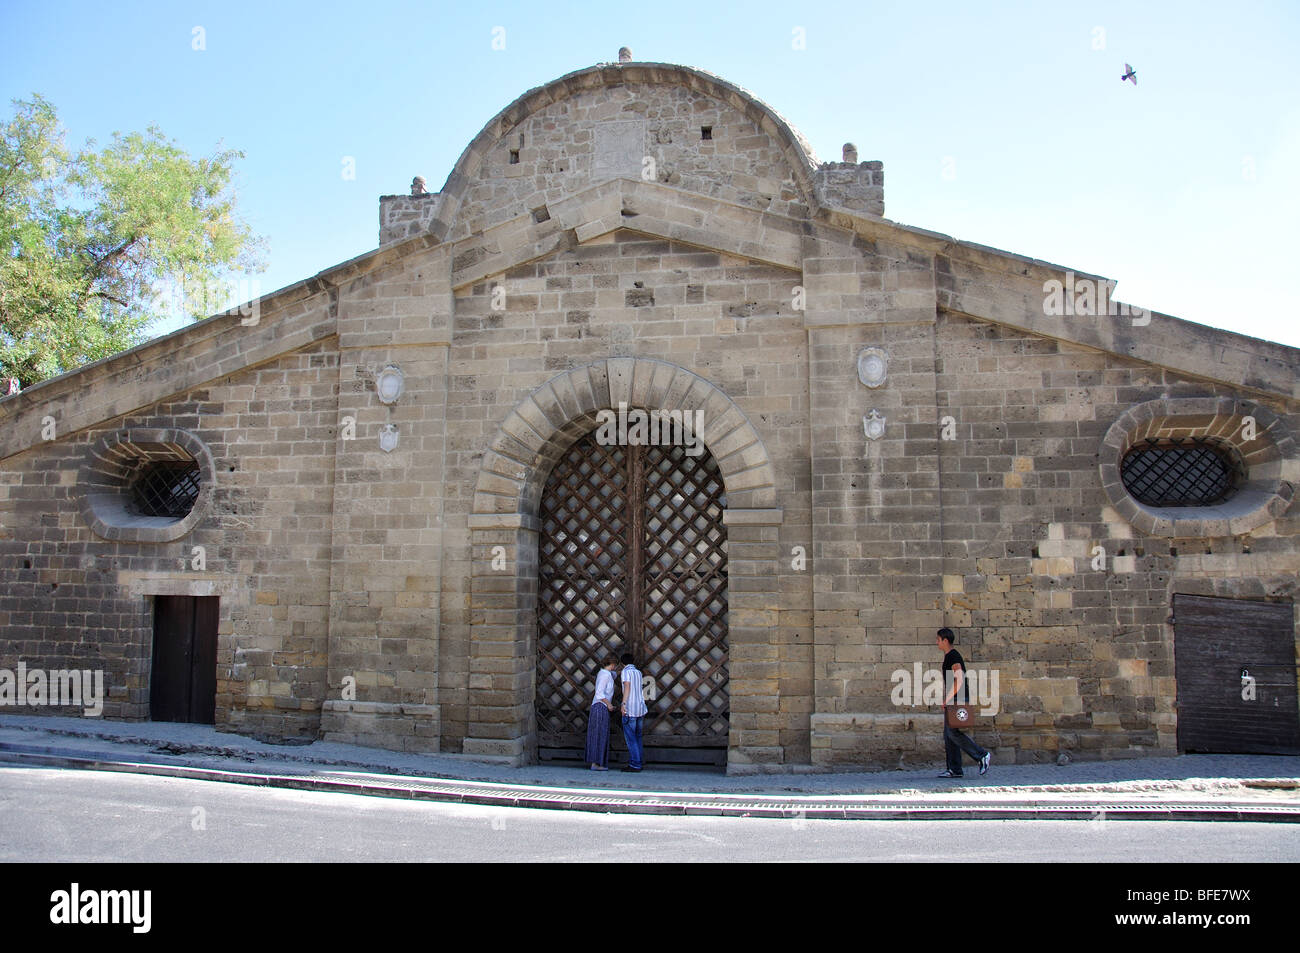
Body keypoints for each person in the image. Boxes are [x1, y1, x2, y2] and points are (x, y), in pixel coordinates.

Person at [936, 627, 991, 779]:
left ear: (945, 640)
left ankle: (982, 755)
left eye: (938, 640)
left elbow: (959, 679)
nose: (937, 642)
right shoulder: (949, 656)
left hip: (958, 699)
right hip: (955, 698)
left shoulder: (953, 656)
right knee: (948, 734)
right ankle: (955, 769)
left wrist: (947, 699)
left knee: (952, 733)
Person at [585, 655, 619, 771]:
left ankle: (597, 762)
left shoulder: (604, 673)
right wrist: (609, 704)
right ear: (613, 665)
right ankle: (596, 763)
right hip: (601, 706)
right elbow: (599, 693)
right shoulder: (605, 675)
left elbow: (614, 675)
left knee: (599, 734)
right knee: (600, 734)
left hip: (599, 707)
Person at [619, 651, 648, 772]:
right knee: (638, 737)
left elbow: (627, 687)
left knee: (631, 738)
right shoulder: (638, 672)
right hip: (640, 708)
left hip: (630, 708)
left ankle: (635, 764)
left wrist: (623, 704)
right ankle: (639, 761)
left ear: (622, 663)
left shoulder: (626, 672)